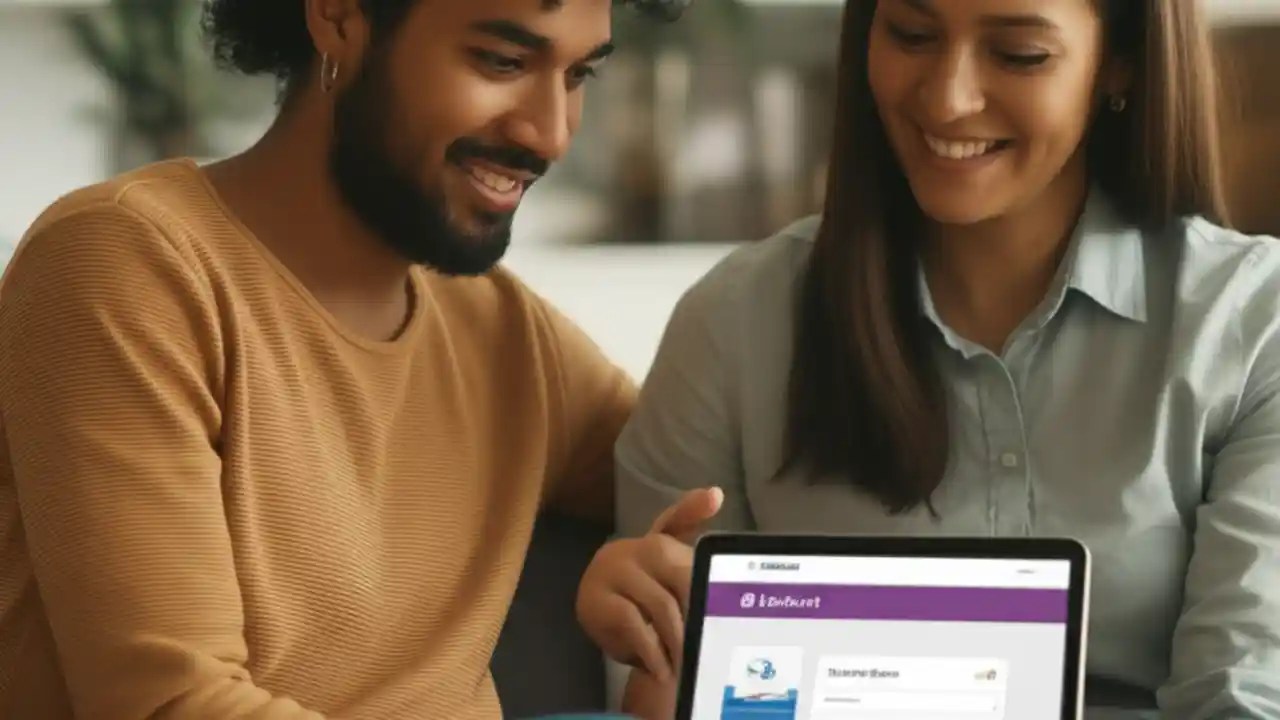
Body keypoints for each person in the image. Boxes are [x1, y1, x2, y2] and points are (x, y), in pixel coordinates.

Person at [576, 0, 1280, 717]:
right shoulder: (735, 324)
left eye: (1018, 55)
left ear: (1120, 62)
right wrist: (658, 650)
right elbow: (673, 696)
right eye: (912, 36)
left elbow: (1242, 694)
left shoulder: (1254, 323)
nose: (948, 97)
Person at [0, 0, 686, 717]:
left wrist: (656, 580)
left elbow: (712, 491)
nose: (549, 133)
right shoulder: (127, 266)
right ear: (337, 16)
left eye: (577, 76)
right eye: (502, 62)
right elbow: (172, 704)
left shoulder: (507, 335)